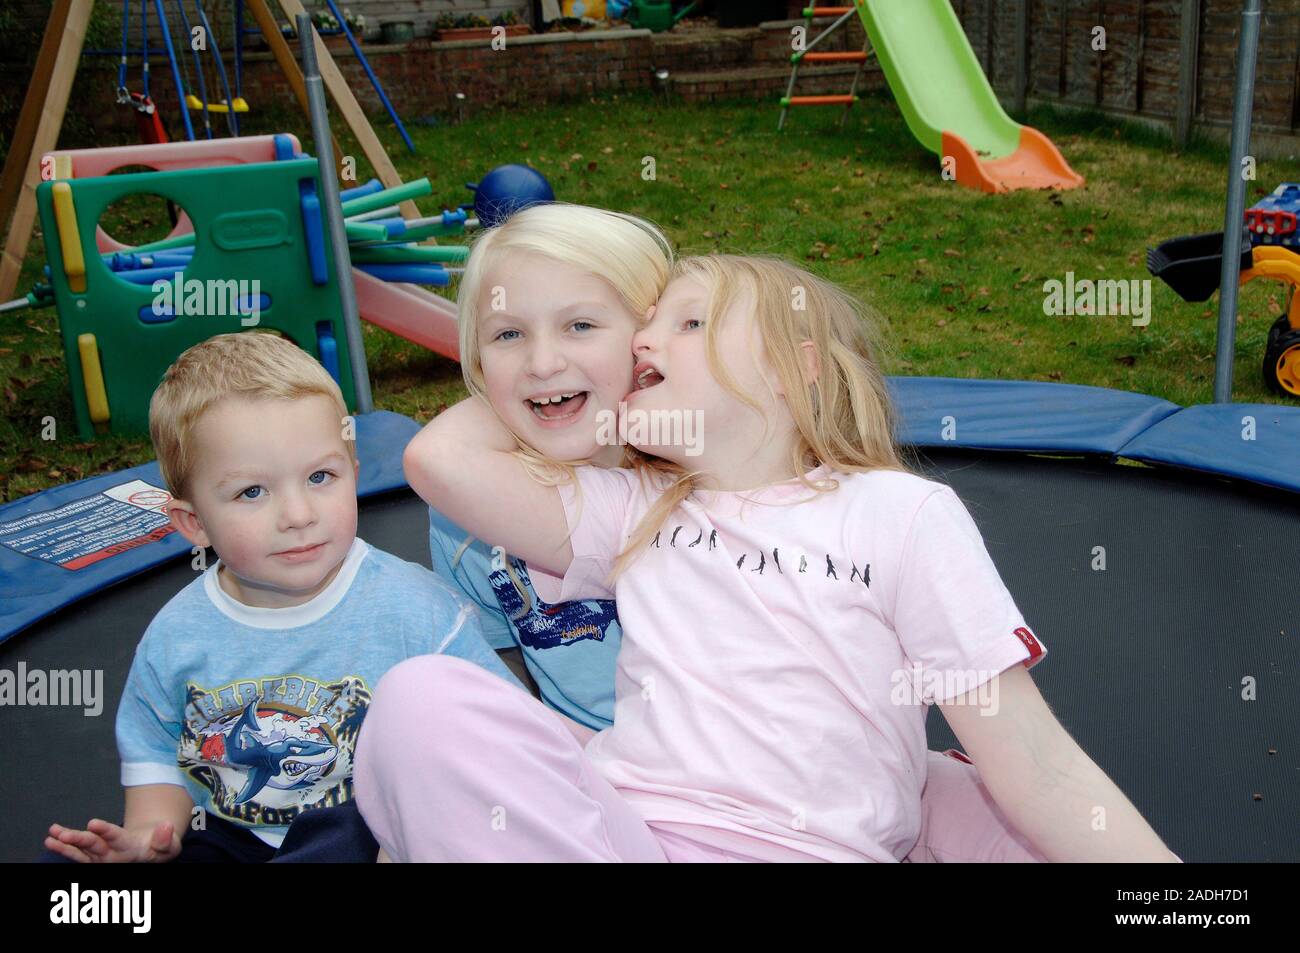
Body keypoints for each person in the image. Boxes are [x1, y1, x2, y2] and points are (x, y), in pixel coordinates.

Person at [363, 249, 1176, 861]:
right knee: (421, 698)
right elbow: (440, 461)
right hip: (633, 838)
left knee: (971, 797)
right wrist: (562, 362)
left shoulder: (898, 514)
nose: (649, 340)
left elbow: (1034, 759)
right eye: (644, 334)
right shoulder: (636, 513)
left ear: (798, 370)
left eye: (690, 322)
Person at [43, 332, 515, 863]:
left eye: (320, 477)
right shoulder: (176, 636)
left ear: (353, 476)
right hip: (228, 837)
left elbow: (499, 738)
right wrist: (147, 838)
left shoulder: (420, 611)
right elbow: (157, 752)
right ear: (194, 522)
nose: (297, 514)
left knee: (347, 836)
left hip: (366, 830)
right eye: (252, 492)